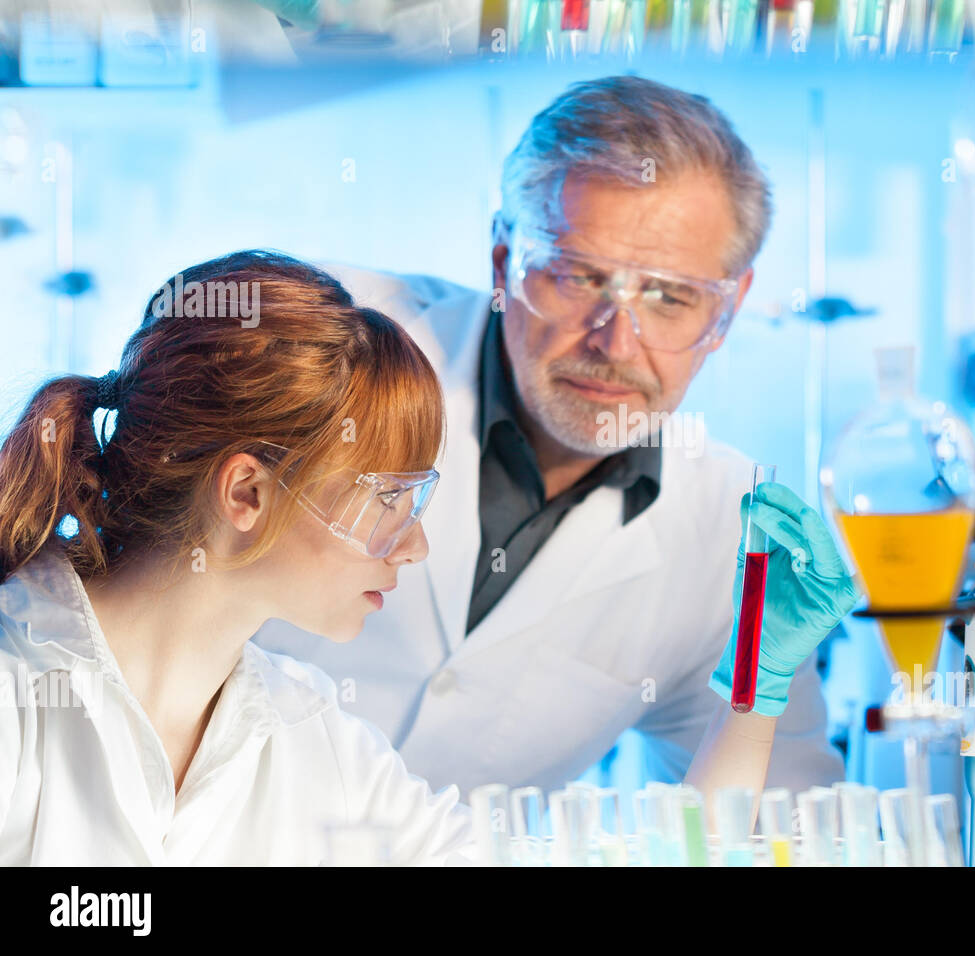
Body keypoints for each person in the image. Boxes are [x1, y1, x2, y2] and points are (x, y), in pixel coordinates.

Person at [0, 250, 854, 865]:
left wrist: (755, 679)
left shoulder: (312, 745)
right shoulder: (18, 704)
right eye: (387, 500)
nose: (412, 543)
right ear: (247, 496)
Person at [255, 74, 856, 796]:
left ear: (731, 308)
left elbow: (772, 823)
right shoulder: (320, 345)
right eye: (577, 277)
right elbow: (116, 608)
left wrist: (763, 691)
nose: (616, 342)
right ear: (506, 261)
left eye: (670, 297)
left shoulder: (729, 535)